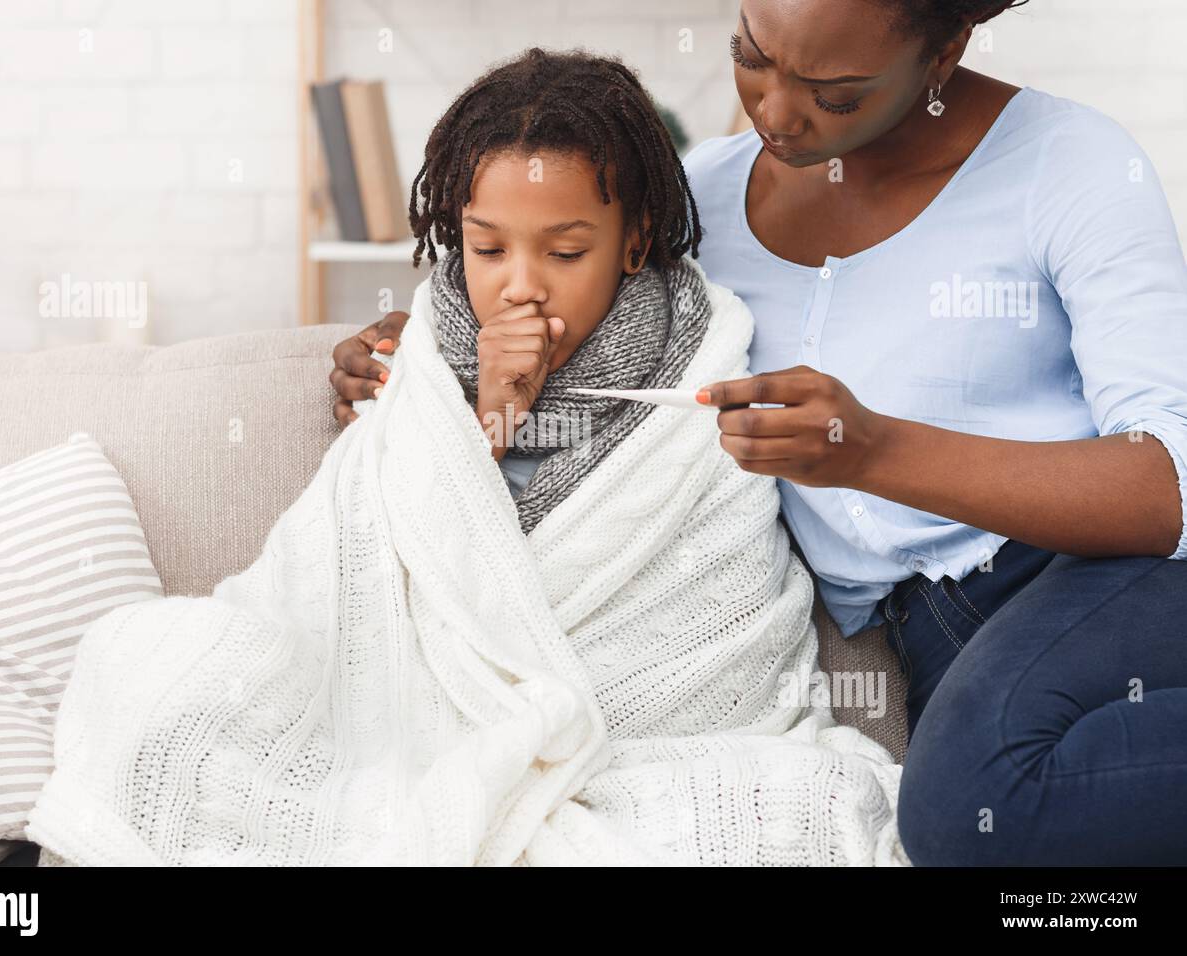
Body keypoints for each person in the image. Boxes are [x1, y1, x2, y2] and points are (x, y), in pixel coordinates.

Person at [329, 1, 1187, 866]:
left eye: (835, 94)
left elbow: (1169, 483)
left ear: (945, 52)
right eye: (752, 56)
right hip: (937, 634)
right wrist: (421, 358)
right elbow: (573, 304)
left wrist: (877, 451)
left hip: (1101, 577)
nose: (774, 112)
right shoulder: (700, 194)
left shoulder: (1066, 163)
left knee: (972, 807)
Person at [28, 47, 907, 866]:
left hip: (629, 740)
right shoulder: (416, 357)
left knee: (781, 808)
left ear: (635, 239)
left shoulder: (704, 364)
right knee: (154, 681)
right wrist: (484, 418)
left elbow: (715, 614)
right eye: (487, 248)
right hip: (395, 723)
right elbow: (356, 576)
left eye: (565, 251)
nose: (518, 283)